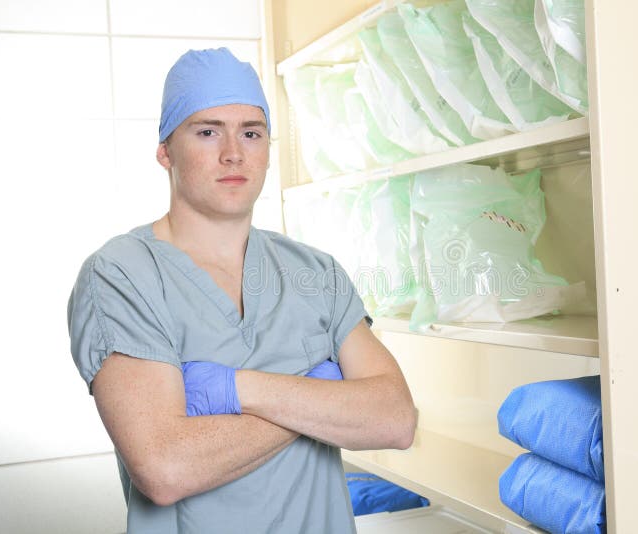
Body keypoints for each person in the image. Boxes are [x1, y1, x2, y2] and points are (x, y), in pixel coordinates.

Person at [67, 47, 416, 533]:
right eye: (208, 131)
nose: (233, 153)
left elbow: (396, 419)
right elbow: (165, 468)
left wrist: (234, 390)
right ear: (165, 151)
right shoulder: (121, 275)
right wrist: (320, 396)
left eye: (251, 133)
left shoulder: (315, 271)